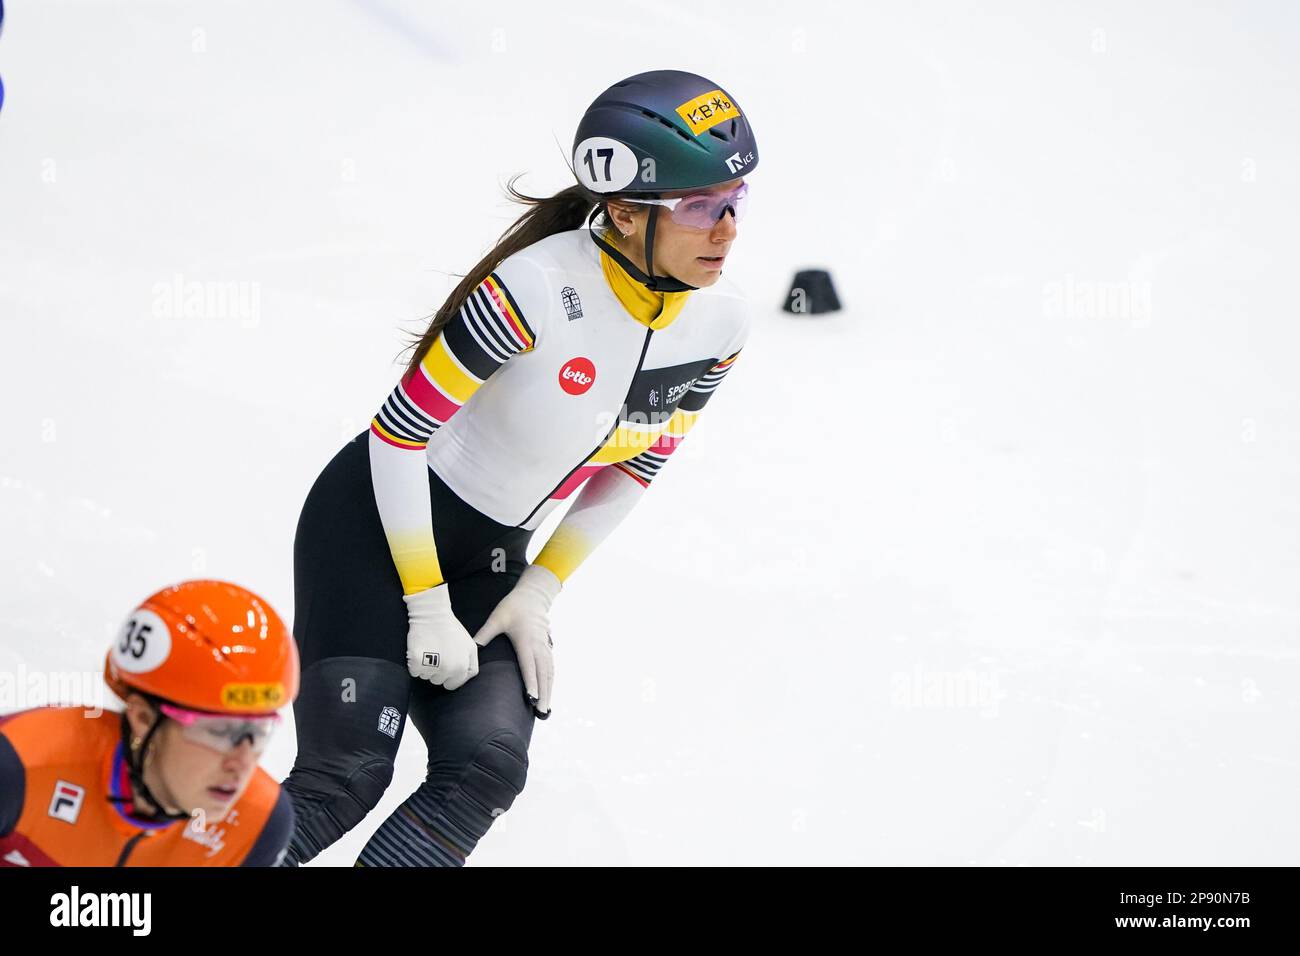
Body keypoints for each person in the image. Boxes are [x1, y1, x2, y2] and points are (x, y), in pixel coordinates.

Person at [280, 68, 758, 867]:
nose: (729, 230)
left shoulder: (720, 324)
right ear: (625, 210)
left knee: (485, 767)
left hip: (490, 556)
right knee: (347, 775)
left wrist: (539, 587)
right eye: (703, 208)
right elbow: (396, 438)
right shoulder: (533, 289)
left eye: (736, 202)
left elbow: (637, 468)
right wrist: (426, 606)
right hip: (371, 525)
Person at [0, 580, 299, 866]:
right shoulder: (21, 767)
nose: (242, 764)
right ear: (142, 718)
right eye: (220, 732)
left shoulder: (259, 825)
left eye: (258, 734)